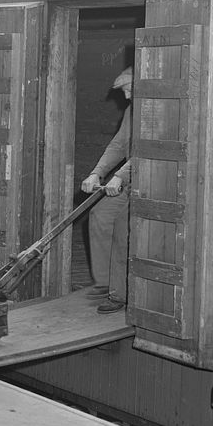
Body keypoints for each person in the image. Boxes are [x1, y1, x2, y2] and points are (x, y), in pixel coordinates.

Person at [80, 66, 133, 314]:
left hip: (155, 184)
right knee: (101, 215)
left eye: (129, 89)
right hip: (131, 181)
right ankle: (104, 282)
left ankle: (120, 294)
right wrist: (97, 172)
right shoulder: (132, 111)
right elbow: (119, 145)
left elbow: (149, 152)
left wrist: (120, 175)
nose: (127, 96)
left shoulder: (158, 110)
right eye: (123, 91)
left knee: (123, 226)